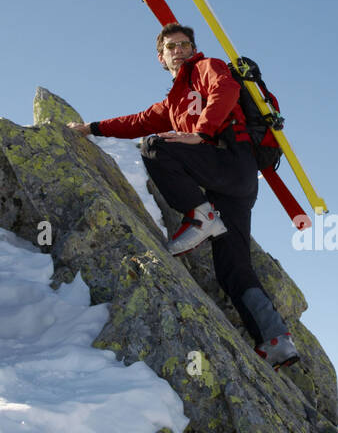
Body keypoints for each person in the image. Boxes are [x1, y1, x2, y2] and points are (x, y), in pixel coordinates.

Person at [67, 23, 299, 370]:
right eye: (171, 47)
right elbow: (138, 120)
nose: (178, 50)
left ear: (193, 49)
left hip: (231, 157)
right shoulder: (173, 102)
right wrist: (91, 128)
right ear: (161, 58)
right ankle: (275, 339)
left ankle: (201, 215)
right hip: (233, 183)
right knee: (233, 268)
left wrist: (201, 133)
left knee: (157, 147)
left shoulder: (205, 68)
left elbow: (226, 89)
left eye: (184, 44)